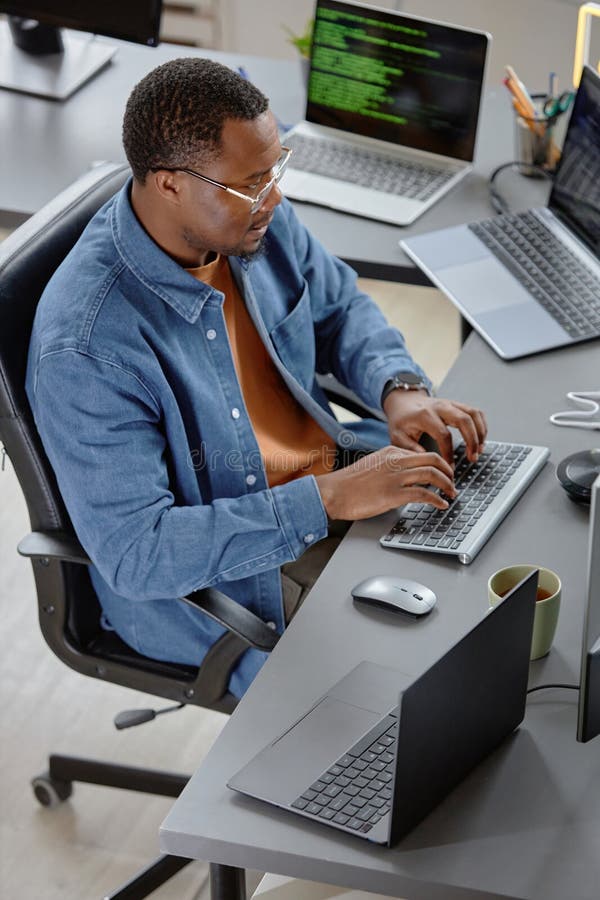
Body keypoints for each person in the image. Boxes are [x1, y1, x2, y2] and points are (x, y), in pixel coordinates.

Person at [26, 58, 486, 698]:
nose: (273, 196)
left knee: (495, 566)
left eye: (276, 170)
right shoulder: (87, 347)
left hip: (332, 481)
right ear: (169, 186)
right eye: (251, 183)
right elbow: (139, 553)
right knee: (419, 697)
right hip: (231, 587)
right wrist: (327, 499)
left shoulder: (249, 219)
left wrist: (399, 388)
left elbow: (338, 306)